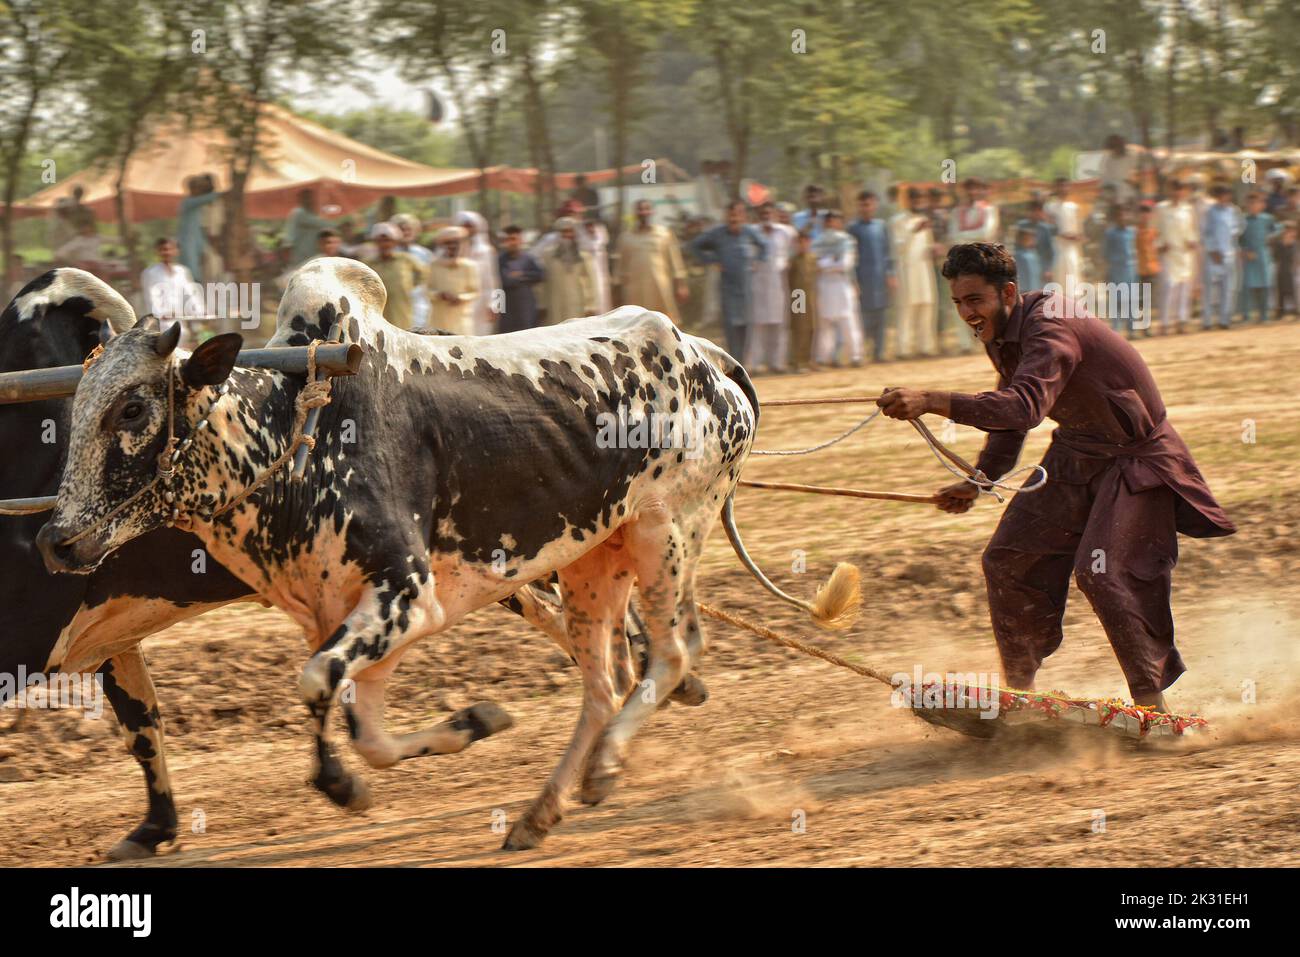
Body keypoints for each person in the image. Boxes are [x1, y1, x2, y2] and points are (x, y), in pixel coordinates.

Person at [876, 242, 1235, 711]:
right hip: (1075, 454)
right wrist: (980, 480)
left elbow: (1025, 407)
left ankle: (1153, 709)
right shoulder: (1001, 333)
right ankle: (1018, 697)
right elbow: (1012, 412)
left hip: (1136, 460)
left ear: (1007, 293)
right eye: (958, 303)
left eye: (974, 301)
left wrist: (932, 399)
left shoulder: (1050, 327)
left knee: (1102, 571)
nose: (967, 313)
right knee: (1006, 560)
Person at [687, 200, 765, 359]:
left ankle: (743, 360)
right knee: (731, 326)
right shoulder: (718, 233)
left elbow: (764, 246)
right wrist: (712, 260)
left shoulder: (749, 232)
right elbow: (695, 246)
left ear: (743, 216)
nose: (734, 218)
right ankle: (735, 360)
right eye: (731, 215)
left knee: (746, 325)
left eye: (738, 214)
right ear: (726, 216)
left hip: (747, 287)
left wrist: (757, 260)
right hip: (728, 287)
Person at [613, 199, 688, 321]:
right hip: (634, 289)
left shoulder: (664, 234)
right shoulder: (625, 237)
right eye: (640, 209)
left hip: (659, 287)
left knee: (664, 323)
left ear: (652, 212)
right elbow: (619, 267)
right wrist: (616, 291)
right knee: (634, 323)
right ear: (635, 213)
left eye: (646, 209)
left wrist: (681, 285)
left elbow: (675, 261)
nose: (643, 212)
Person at [747, 201, 797, 373]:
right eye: (763, 214)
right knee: (758, 326)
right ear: (759, 216)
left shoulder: (786, 232)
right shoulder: (752, 232)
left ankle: (778, 363)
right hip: (758, 284)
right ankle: (753, 364)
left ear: (775, 214)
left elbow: (794, 253)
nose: (766, 216)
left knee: (780, 325)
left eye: (769, 213)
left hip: (780, 284)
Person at [847, 190, 895, 363]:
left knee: (881, 314)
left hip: (880, 277)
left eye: (869, 204)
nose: (866, 207)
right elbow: (851, 257)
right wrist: (853, 280)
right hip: (863, 278)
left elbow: (888, 252)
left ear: (874, 205)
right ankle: (864, 351)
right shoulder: (853, 228)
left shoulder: (881, 226)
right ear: (858, 206)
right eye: (862, 204)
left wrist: (891, 274)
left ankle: (879, 352)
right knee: (863, 316)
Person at [812, 210, 863, 367]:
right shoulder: (817, 241)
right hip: (823, 286)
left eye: (833, 221)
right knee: (824, 324)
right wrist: (831, 262)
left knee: (848, 321)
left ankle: (855, 356)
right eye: (827, 221)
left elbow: (845, 265)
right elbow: (814, 266)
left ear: (840, 223)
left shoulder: (847, 241)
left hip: (842, 285)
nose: (830, 224)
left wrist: (825, 264)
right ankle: (822, 358)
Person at [894, 187, 937, 358]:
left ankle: (925, 347)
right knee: (907, 308)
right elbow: (898, 246)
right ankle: (903, 349)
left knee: (927, 306)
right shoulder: (898, 221)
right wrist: (914, 231)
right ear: (908, 201)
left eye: (921, 199)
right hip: (906, 270)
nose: (919, 202)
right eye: (915, 199)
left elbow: (928, 245)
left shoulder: (924, 219)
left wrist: (934, 250)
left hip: (924, 269)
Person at [139, 236, 202, 343]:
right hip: (160, 324)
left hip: (181, 322)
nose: (167, 252)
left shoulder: (182, 271)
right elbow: (149, 298)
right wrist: (161, 314)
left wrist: (199, 311)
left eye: (170, 249)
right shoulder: (150, 273)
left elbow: (191, 295)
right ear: (157, 251)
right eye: (163, 249)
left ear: (176, 251)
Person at [1156, 179, 1199, 333]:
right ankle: (1165, 323)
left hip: (1184, 253)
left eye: (1180, 189)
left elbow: (1191, 230)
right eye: (1175, 189)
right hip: (1168, 253)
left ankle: (1182, 321)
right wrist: (1159, 244)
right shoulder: (1161, 208)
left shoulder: (1187, 209)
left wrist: (1192, 241)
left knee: (1184, 288)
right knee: (1169, 287)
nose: (1178, 193)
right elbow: (1155, 229)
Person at [365, 222, 424, 330]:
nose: (384, 244)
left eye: (387, 240)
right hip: (376, 305)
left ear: (395, 242)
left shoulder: (406, 259)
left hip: (400, 304)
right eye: (380, 241)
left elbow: (423, 274)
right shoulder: (368, 263)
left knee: (402, 331)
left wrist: (409, 287)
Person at [541, 217, 598, 324]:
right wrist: (542, 304)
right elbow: (543, 282)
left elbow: (589, 282)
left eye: (570, 231)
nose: (567, 235)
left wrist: (591, 306)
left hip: (577, 303)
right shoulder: (548, 255)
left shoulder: (584, 256)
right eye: (563, 232)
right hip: (555, 303)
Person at [426, 225, 481, 335]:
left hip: (461, 318)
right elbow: (427, 290)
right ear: (443, 245)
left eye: (456, 242)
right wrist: (439, 295)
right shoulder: (434, 265)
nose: (452, 246)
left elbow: (475, 291)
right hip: (439, 318)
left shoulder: (469, 266)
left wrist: (460, 298)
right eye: (448, 243)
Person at [454, 210, 501, 334]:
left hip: (481, 304)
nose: (467, 229)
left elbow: (493, 279)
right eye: (464, 225)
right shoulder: (448, 251)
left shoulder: (486, 251)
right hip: (456, 303)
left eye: (470, 225)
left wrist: (497, 305)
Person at [1200, 184, 1240, 331]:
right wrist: (1212, 250)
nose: (1225, 197)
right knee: (1210, 290)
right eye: (1222, 194)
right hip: (1214, 255)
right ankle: (1207, 321)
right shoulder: (1210, 211)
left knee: (1228, 289)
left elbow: (1236, 230)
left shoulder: (1233, 211)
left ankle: (1224, 320)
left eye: (1227, 194)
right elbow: (1206, 232)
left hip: (1229, 254)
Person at [1238, 191, 1280, 324]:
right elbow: (1238, 239)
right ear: (1247, 205)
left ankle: (1264, 316)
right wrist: (1244, 251)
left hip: (1263, 255)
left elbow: (1278, 230)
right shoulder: (1242, 220)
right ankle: (1246, 316)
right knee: (1248, 287)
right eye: (1250, 203)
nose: (1253, 206)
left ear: (1262, 205)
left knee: (1265, 286)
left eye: (1256, 203)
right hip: (1249, 256)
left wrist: (1270, 238)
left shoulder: (1267, 219)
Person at [498, 224, 545, 333]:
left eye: (514, 239)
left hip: (526, 305)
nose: (512, 242)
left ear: (520, 241)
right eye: (508, 239)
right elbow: (498, 283)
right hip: (506, 307)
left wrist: (520, 275)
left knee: (527, 334)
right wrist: (497, 309)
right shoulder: (499, 260)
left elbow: (540, 275)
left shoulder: (529, 259)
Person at [177, 173, 222, 284]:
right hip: (188, 239)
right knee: (191, 267)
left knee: (210, 263)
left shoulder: (199, 206)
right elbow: (213, 196)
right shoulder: (188, 202)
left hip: (198, 238)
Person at [392, 213, 434, 330]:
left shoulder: (424, 253)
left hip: (419, 303)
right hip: (396, 303)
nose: (405, 233)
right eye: (401, 229)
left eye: (408, 229)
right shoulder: (389, 253)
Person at [1102, 204, 1139, 335]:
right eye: (1120, 214)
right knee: (1116, 300)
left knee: (1131, 300)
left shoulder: (1132, 231)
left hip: (1130, 269)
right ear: (1116, 217)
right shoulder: (1110, 233)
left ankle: (1131, 330)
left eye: (1125, 213)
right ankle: (1116, 330)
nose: (1123, 216)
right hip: (1116, 269)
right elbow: (1105, 253)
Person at [786, 229, 819, 372]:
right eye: (800, 242)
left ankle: (808, 360)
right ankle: (797, 361)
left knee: (812, 328)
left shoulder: (813, 258)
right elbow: (789, 280)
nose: (803, 245)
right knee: (799, 329)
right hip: (798, 295)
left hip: (811, 296)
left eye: (805, 241)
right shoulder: (793, 260)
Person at [1044, 177, 1083, 294]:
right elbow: (1049, 227)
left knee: (1073, 275)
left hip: (1072, 247)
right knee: (1059, 277)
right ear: (1055, 188)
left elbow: (1079, 229)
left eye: (1065, 186)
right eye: (1060, 186)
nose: (1063, 188)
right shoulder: (1049, 207)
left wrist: (1077, 237)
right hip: (1057, 246)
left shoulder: (1073, 207)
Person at [283, 189, 332, 268]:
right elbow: (289, 237)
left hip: (313, 253)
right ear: (301, 200)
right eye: (306, 198)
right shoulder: (299, 213)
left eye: (310, 198)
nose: (309, 200)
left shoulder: (314, 215)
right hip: (301, 254)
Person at [578, 209, 612, 313]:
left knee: (602, 292)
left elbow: (601, 243)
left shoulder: (601, 231)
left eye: (592, 224)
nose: (590, 227)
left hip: (600, 264)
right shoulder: (580, 234)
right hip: (586, 265)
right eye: (588, 225)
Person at [1135, 201, 1161, 334]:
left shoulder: (1153, 232)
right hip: (1140, 269)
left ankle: (1147, 327)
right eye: (1143, 212)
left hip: (1152, 268)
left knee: (1148, 300)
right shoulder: (1135, 232)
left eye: (1147, 212)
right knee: (1141, 300)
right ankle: (1142, 327)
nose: (1145, 216)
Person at [1272, 220, 1297, 320]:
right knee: (1281, 291)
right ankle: (1280, 311)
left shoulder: (1294, 243)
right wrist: (1284, 244)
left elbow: (1294, 257)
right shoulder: (1278, 243)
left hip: (1290, 270)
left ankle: (1295, 310)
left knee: (1292, 291)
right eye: (1288, 230)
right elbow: (1276, 256)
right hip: (1281, 268)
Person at [1012, 219, 1043, 293]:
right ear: (1019, 239)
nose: (1032, 241)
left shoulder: (1033, 254)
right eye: (1027, 238)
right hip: (1024, 289)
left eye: (1032, 238)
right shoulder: (1019, 255)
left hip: (1035, 288)